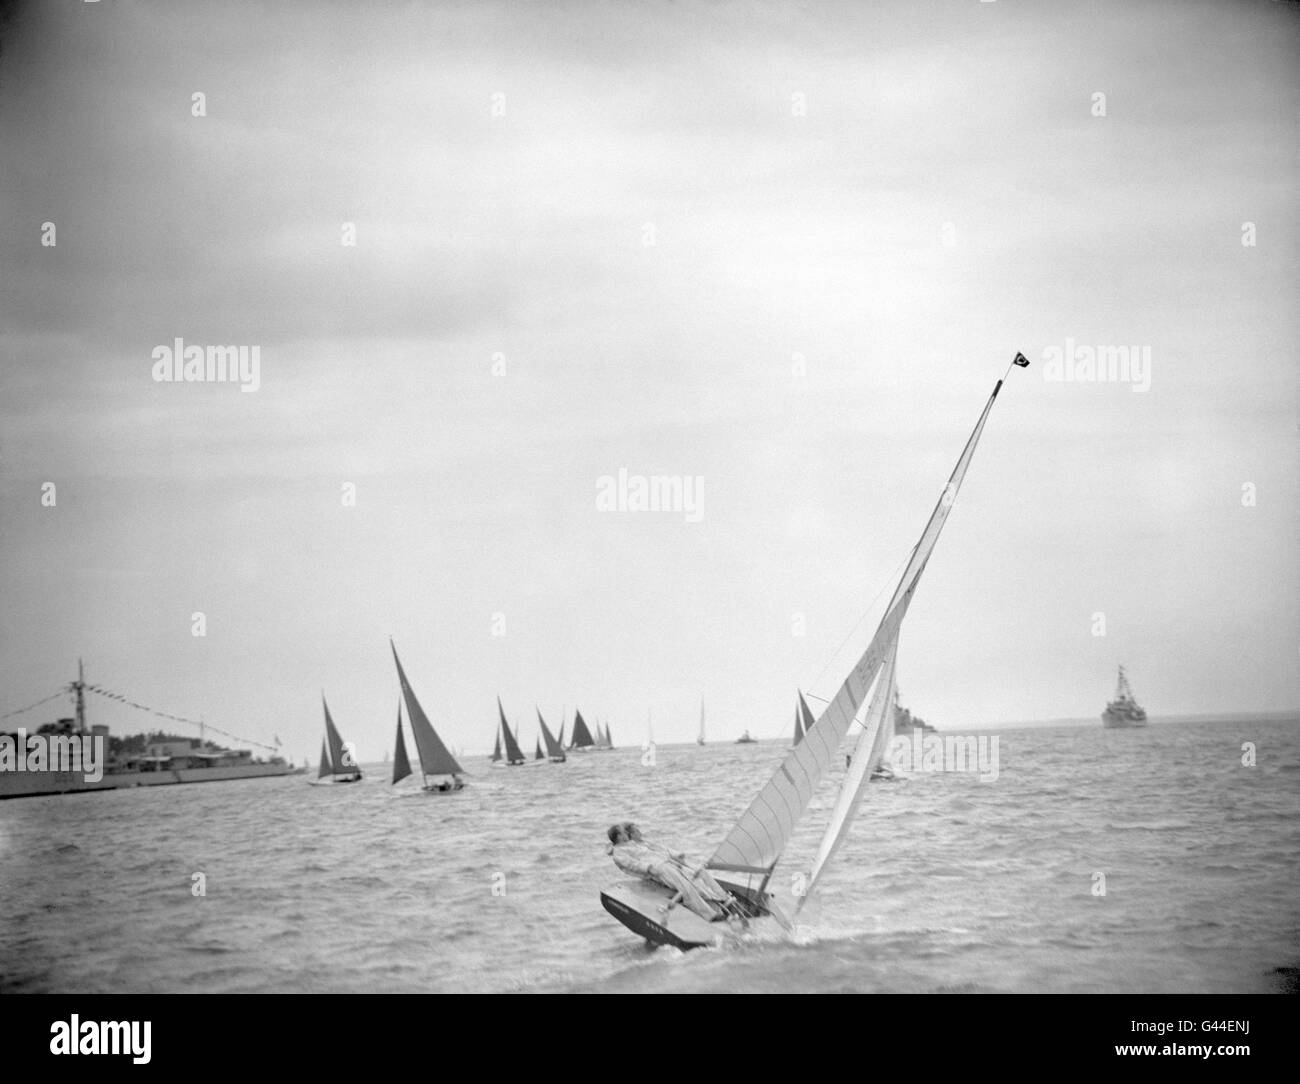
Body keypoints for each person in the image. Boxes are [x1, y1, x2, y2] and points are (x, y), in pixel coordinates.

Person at [606, 822, 737, 922]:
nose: (625, 834)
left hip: (667, 863)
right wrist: (648, 867)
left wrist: (676, 856)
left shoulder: (634, 844)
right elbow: (632, 864)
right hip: (658, 868)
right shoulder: (619, 852)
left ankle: (720, 900)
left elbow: (659, 850)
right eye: (623, 833)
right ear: (618, 836)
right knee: (686, 888)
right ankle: (710, 915)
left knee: (695, 879)